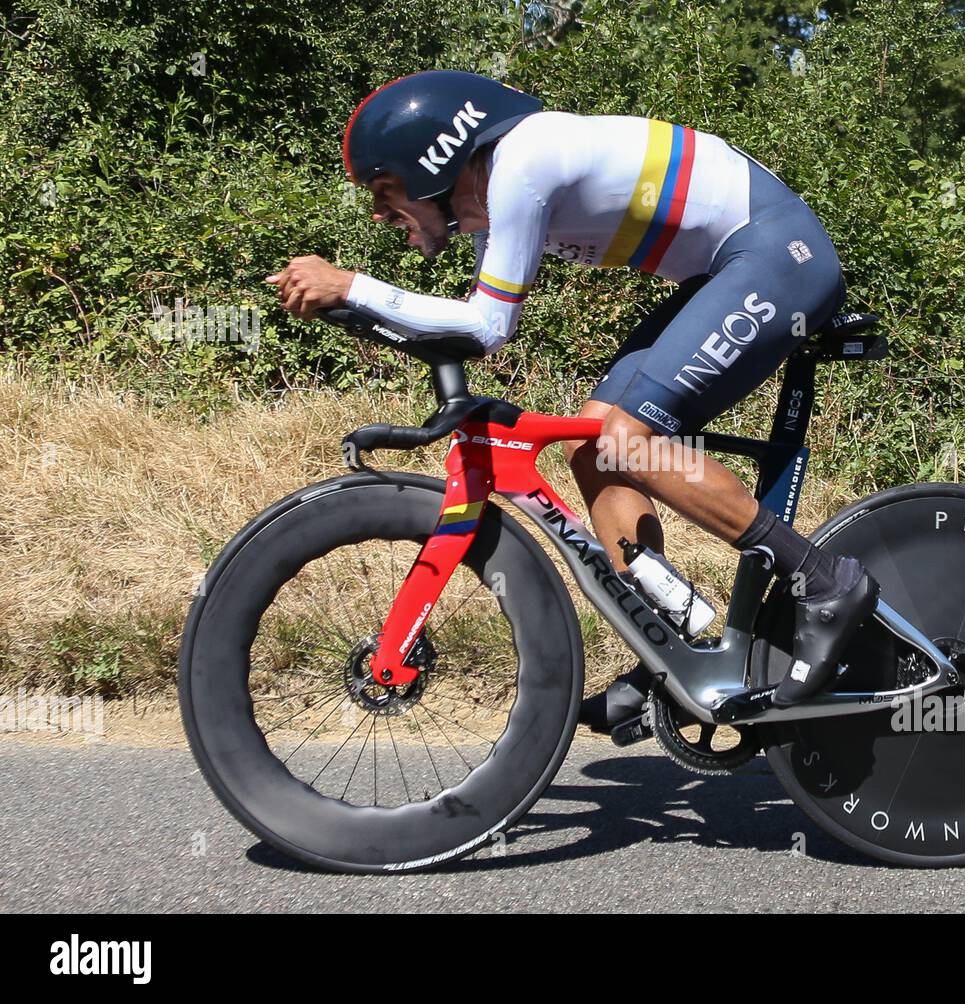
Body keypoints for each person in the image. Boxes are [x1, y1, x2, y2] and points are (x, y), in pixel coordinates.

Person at [266, 70, 878, 733]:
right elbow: (471, 327)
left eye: (386, 191)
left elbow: (488, 327)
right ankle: (672, 654)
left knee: (626, 439)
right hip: (730, 266)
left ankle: (825, 580)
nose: (382, 214)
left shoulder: (523, 163)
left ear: (434, 161)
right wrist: (353, 309)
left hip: (776, 255)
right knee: (597, 444)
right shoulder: (491, 201)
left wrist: (352, 286)